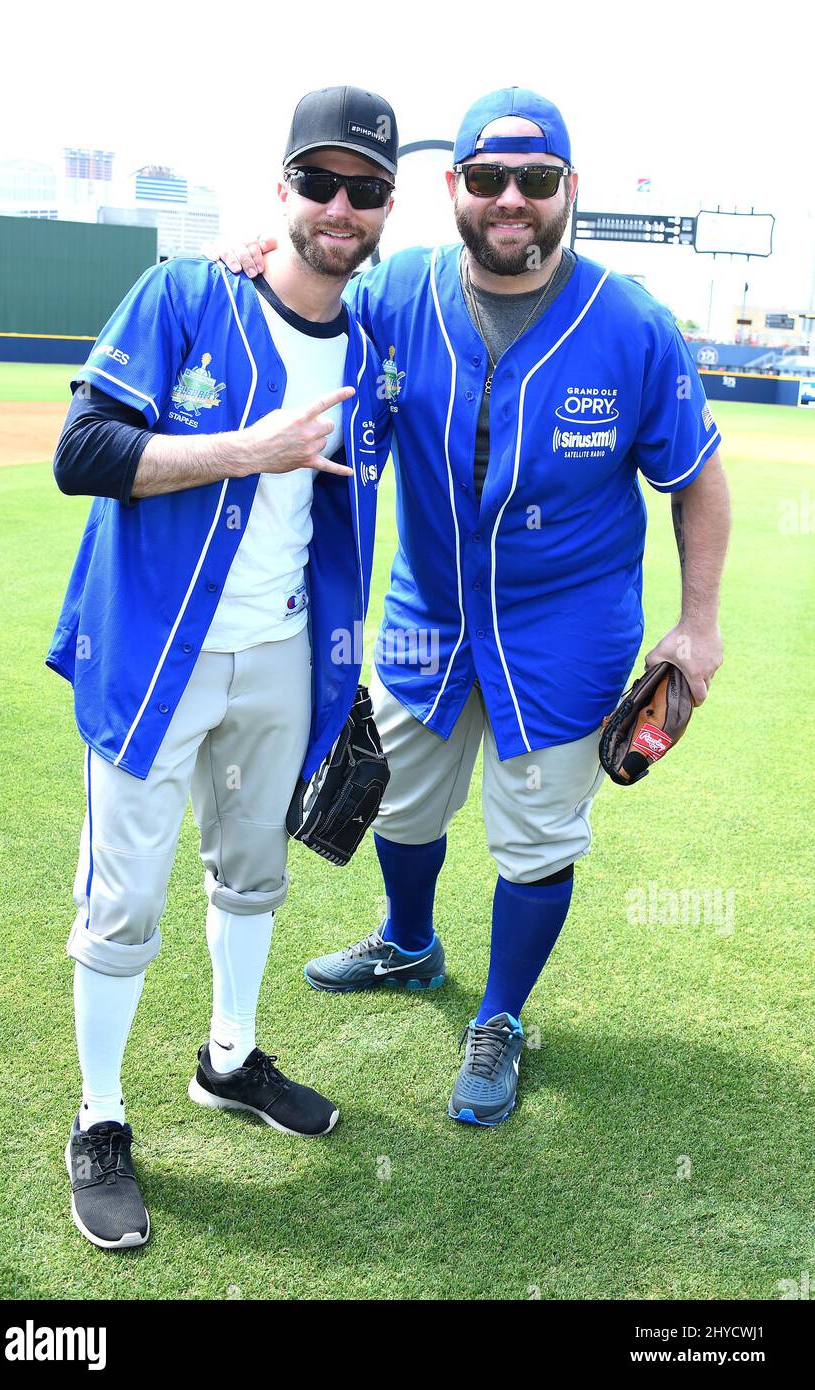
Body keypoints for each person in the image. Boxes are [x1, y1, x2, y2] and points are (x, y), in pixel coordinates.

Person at [211, 86, 731, 1129]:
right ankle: (409, 942)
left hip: (569, 623)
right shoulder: (398, 289)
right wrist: (262, 247)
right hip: (426, 610)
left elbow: (696, 477)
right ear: (452, 189)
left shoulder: (629, 324)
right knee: (396, 803)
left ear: (564, 192)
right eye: (488, 178)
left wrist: (698, 621)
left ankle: (497, 1016)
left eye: (534, 181)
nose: (510, 200)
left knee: (536, 835)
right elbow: (304, 294)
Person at [47, 85, 397, 1247]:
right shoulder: (189, 294)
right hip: (156, 651)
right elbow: (82, 450)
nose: (339, 205)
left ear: (387, 209)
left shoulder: (375, 342)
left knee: (252, 874)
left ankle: (230, 1059)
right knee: (125, 899)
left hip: (283, 649)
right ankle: (100, 1119)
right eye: (319, 180)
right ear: (282, 188)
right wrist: (247, 450)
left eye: (365, 188)